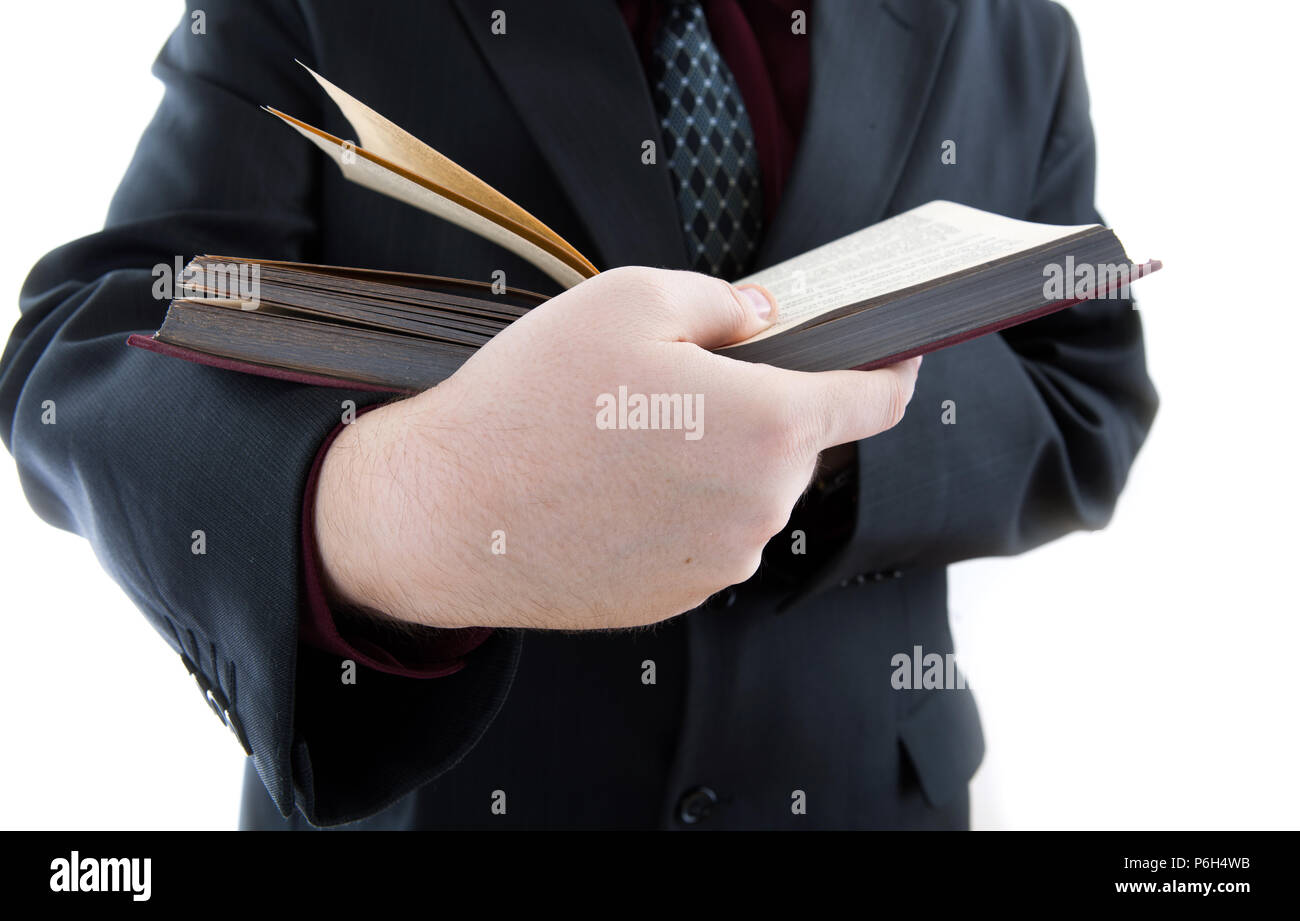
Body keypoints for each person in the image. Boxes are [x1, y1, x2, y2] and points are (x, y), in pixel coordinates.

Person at [0, 0, 1156, 829]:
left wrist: (830, 447)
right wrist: (411, 510)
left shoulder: (1014, 28)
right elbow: (82, 353)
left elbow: (1086, 394)